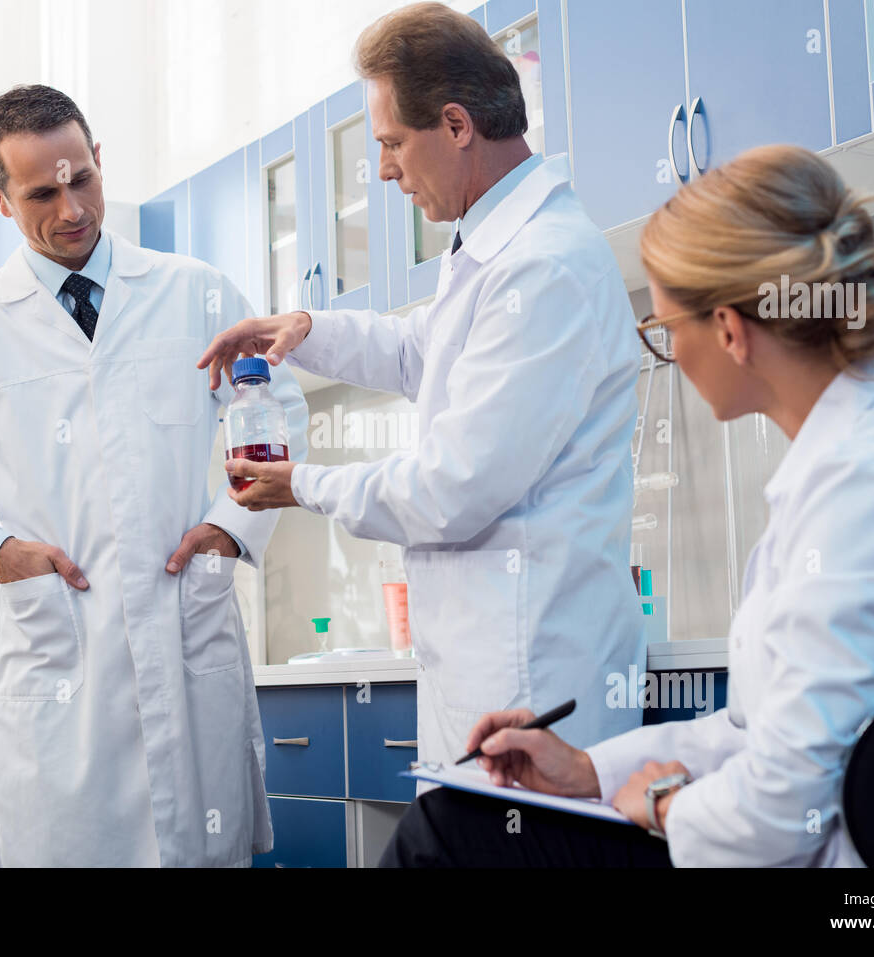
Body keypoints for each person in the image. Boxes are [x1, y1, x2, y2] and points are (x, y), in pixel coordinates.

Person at [379, 144, 874, 867]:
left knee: (444, 832)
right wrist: (589, 771)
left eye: (666, 328)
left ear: (731, 331)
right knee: (458, 819)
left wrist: (662, 804)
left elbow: (785, 808)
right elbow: (759, 735)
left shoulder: (864, 490)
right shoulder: (864, 455)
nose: (671, 353)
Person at [0, 85, 309, 866]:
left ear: (98, 159)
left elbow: (280, 411)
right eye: (42, 193)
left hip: (186, 629)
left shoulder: (195, 292)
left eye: (83, 179)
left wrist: (228, 528)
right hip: (62, 659)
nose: (72, 209)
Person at [197, 1, 645, 769]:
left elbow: (451, 487)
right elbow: (418, 350)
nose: (383, 169)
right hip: (482, 664)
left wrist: (301, 483)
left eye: (392, 143)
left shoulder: (541, 267)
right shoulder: (489, 247)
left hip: (533, 670)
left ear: (456, 125)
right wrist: (305, 327)